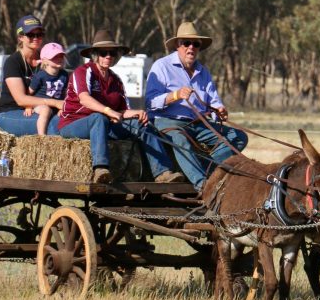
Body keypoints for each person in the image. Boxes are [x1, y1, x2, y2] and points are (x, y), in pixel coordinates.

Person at [58, 30, 185, 185]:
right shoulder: (83, 71)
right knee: (99, 118)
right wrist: (108, 111)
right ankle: (100, 169)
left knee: (141, 125)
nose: (108, 56)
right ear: (95, 55)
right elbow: (84, 99)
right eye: (103, 53)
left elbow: (122, 111)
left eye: (112, 53)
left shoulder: (116, 80)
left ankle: (163, 172)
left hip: (105, 124)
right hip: (74, 123)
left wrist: (138, 113)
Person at [145, 21, 247, 191]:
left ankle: (205, 170)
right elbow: (150, 102)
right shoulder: (161, 66)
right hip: (168, 121)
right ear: (178, 45)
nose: (191, 47)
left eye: (196, 44)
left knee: (239, 137)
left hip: (198, 123)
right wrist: (175, 95)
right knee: (180, 139)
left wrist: (219, 110)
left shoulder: (203, 72)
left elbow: (213, 100)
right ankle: (203, 186)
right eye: (186, 43)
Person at [0, 14, 64, 136]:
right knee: (54, 124)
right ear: (21, 37)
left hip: (41, 110)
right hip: (10, 113)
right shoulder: (13, 62)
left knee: (65, 120)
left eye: (39, 34)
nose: (36, 38)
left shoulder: (47, 59)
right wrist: (55, 103)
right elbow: (21, 100)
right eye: (31, 34)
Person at [27, 42, 69, 136]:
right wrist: (28, 106)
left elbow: (65, 93)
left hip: (57, 105)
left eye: (61, 56)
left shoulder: (64, 75)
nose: (59, 58)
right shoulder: (40, 76)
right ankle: (42, 137)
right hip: (40, 104)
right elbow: (29, 92)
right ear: (45, 60)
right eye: (55, 56)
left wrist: (63, 108)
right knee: (46, 110)